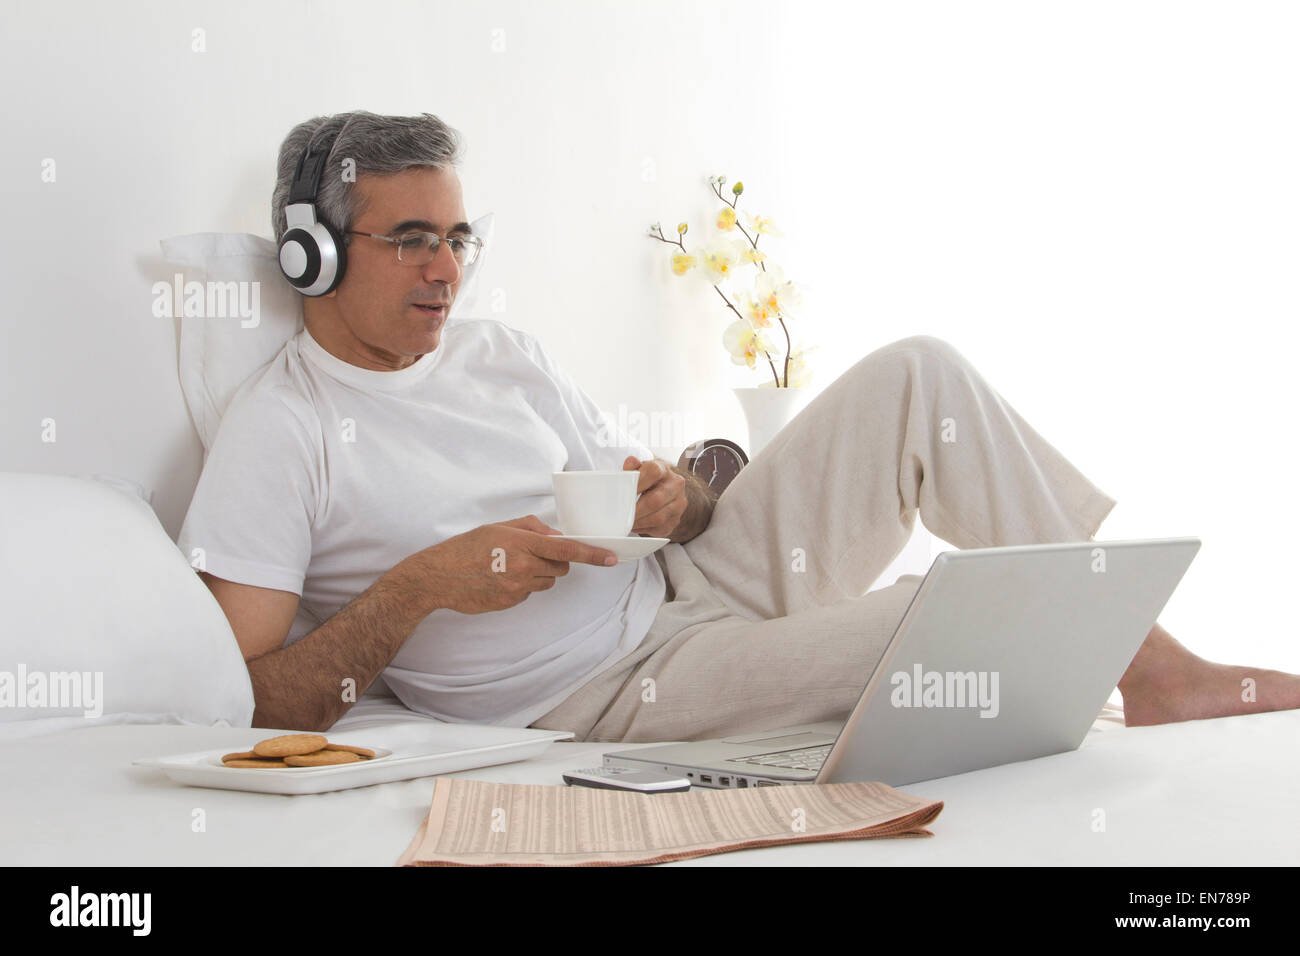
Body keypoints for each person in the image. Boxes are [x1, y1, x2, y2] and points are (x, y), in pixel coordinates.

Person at [180, 110, 1300, 740]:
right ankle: (1134, 671)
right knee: (937, 617)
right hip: (612, 692)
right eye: (411, 239)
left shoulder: (498, 352)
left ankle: (1158, 669)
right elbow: (252, 698)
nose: (446, 270)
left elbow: (660, 504)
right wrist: (419, 584)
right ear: (310, 254)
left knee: (921, 372)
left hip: (691, 578)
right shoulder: (284, 428)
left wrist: (676, 495)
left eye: (460, 237)